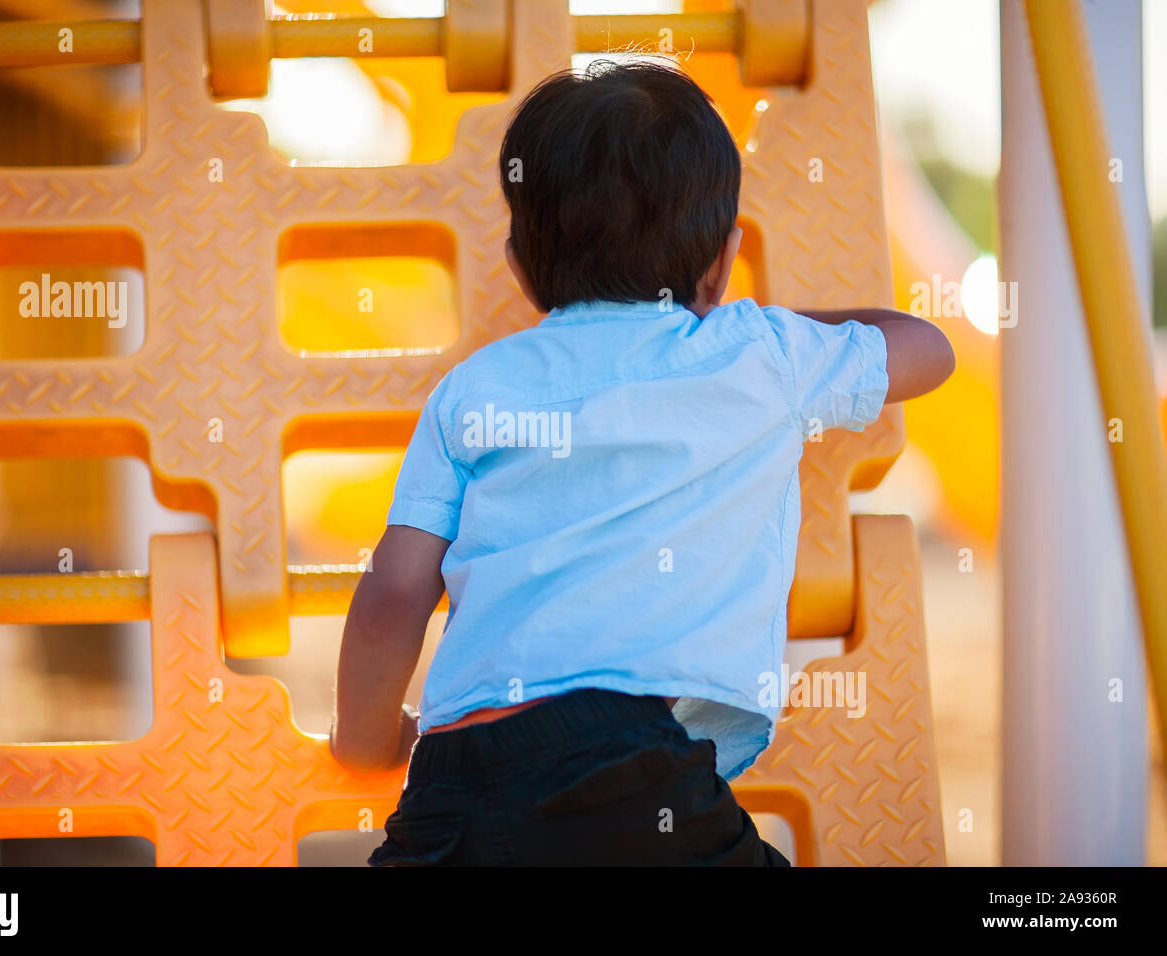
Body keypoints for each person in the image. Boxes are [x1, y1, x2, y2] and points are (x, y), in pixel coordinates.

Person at [330, 60, 955, 866]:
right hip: (624, 770)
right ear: (723, 264)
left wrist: (368, 742)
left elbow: (393, 590)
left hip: (451, 786)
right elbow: (929, 350)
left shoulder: (471, 389)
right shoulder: (760, 357)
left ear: (519, 264)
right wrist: (766, 333)